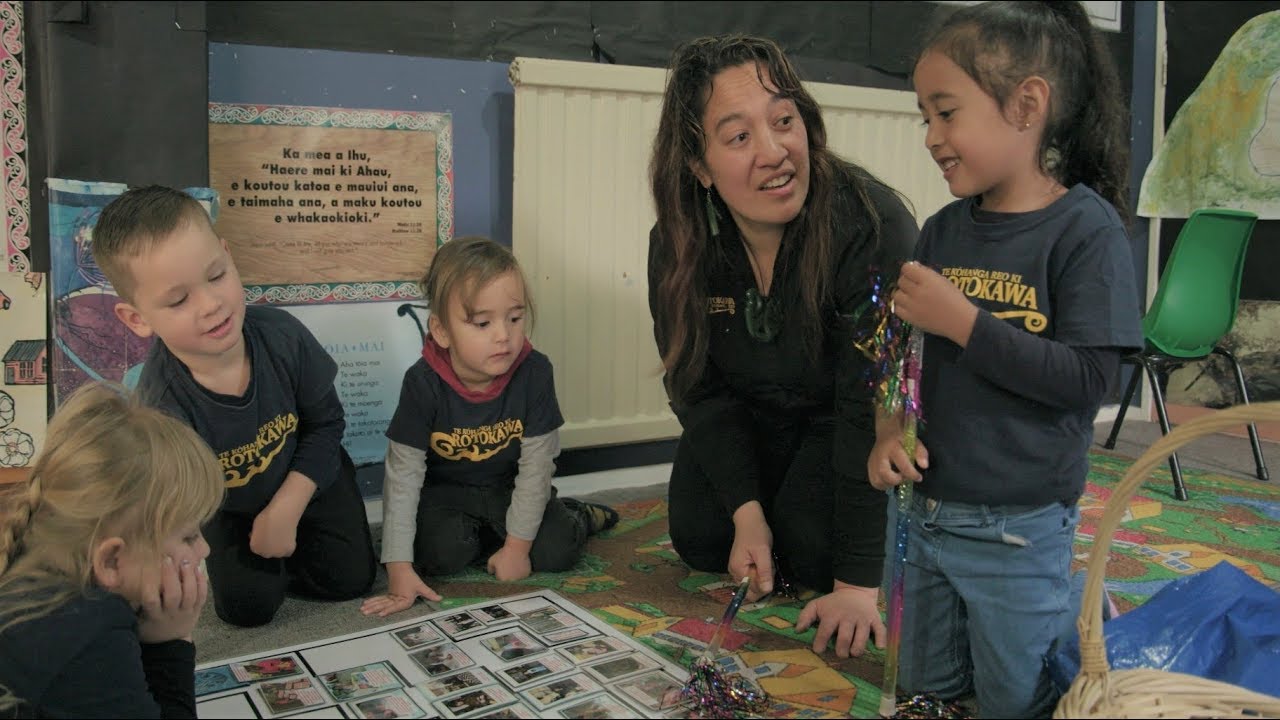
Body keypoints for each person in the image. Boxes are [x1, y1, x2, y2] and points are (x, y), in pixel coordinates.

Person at [870, 2, 1144, 717]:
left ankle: (1075, 618)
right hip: (924, 519)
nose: (931, 136)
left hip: (1017, 533)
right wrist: (888, 428)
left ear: (1027, 105)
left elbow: (1091, 380)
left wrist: (965, 323)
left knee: (1016, 702)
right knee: (925, 690)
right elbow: (899, 353)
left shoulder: (1086, 232)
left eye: (946, 112)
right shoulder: (940, 231)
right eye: (924, 117)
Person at [646, 34, 919, 659]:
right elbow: (696, 388)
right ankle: (771, 510)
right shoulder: (678, 242)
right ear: (699, 166)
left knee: (819, 550)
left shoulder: (872, 225)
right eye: (739, 136)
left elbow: (874, 407)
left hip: (840, 419)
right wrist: (745, 511)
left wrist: (856, 588)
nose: (774, 153)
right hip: (755, 414)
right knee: (701, 536)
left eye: (784, 121)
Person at [91, 185, 378, 628]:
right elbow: (181, 502)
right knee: (246, 610)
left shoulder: (283, 336)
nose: (211, 304)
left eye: (216, 275)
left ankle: (294, 542)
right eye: (179, 299)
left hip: (309, 474)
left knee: (352, 580)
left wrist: (286, 509)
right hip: (231, 509)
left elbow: (326, 424)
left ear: (228, 255)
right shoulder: (160, 405)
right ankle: (276, 558)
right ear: (137, 318)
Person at [359, 237, 618, 619]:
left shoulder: (535, 372)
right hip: (447, 494)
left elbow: (536, 468)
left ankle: (576, 514)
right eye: (483, 323)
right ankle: (482, 536)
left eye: (514, 318)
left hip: (509, 488)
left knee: (556, 551)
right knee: (435, 556)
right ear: (441, 331)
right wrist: (398, 568)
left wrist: (517, 547)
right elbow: (403, 475)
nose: (503, 336)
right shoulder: (421, 383)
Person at [0, 382, 225, 718]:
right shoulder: (89, 632)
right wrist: (170, 642)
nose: (204, 549)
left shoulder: (33, 564)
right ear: (111, 560)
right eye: (189, 537)